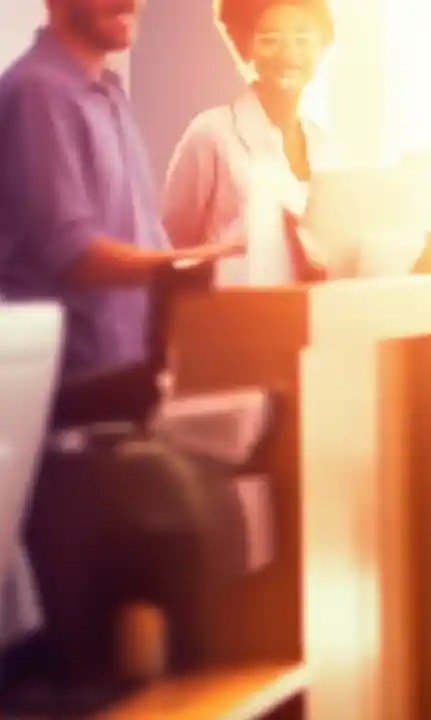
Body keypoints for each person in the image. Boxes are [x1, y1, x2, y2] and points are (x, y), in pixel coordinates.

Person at [0, 1, 250, 710]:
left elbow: (137, 233)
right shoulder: (37, 95)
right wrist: (195, 264)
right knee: (96, 654)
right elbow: (73, 253)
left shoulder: (106, 92)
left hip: (123, 386)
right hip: (69, 397)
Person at [162, 0, 337, 284]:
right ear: (246, 48)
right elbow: (171, 251)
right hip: (230, 314)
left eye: (303, 39)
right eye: (270, 40)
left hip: (308, 314)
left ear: (321, 47)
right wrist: (233, 253)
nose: (288, 54)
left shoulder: (325, 146)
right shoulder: (211, 133)